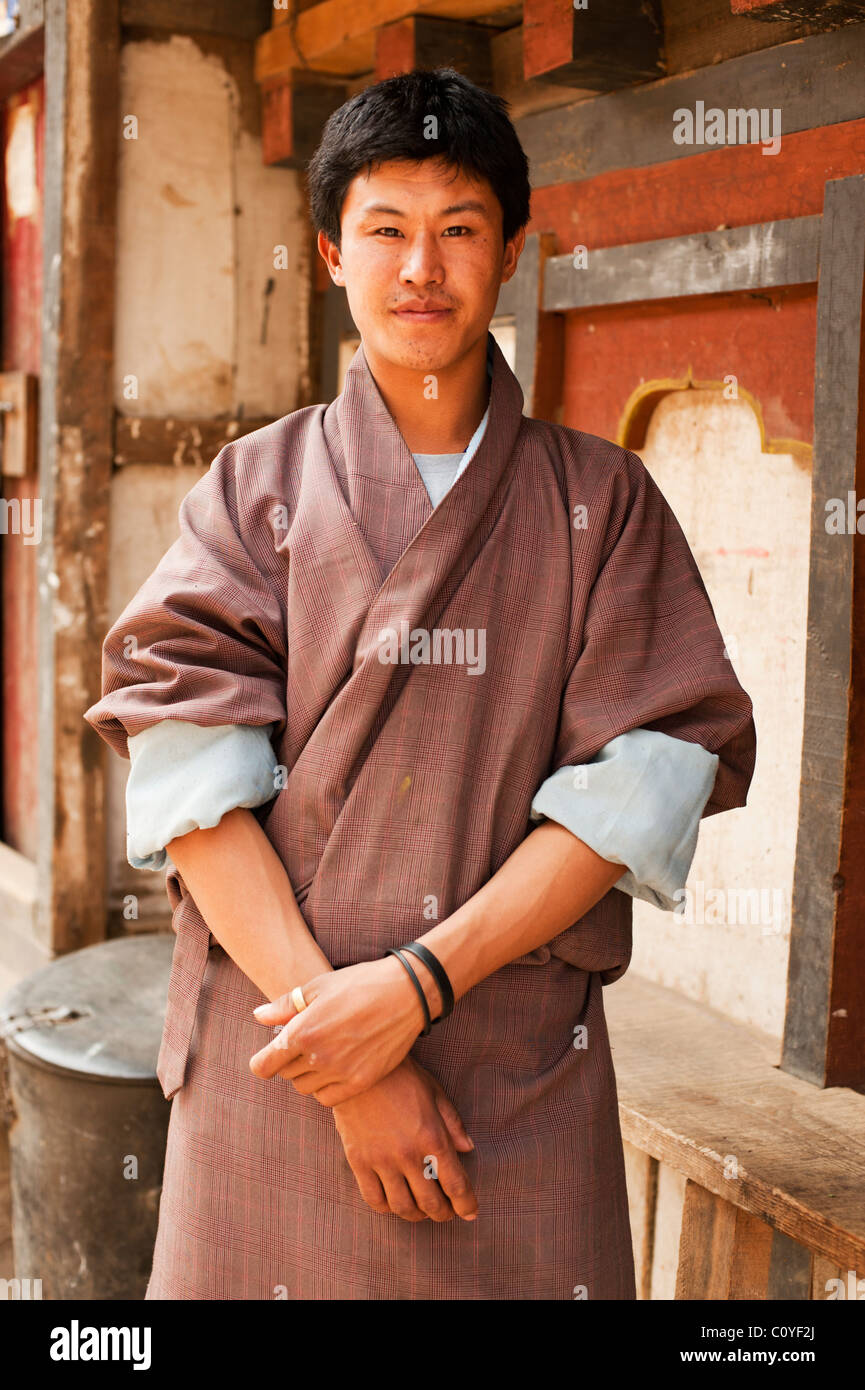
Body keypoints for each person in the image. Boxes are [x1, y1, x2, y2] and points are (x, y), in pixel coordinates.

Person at [84, 67, 756, 1300]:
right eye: (386, 229)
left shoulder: (599, 504)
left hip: (508, 1068)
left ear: (513, 248)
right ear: (332, 252)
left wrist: (416, 988)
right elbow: (189, 776)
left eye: (458, 230)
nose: (420, 268)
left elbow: (642, 780)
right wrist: (351, 1056)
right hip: (275, 1058)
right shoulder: (252, 487)